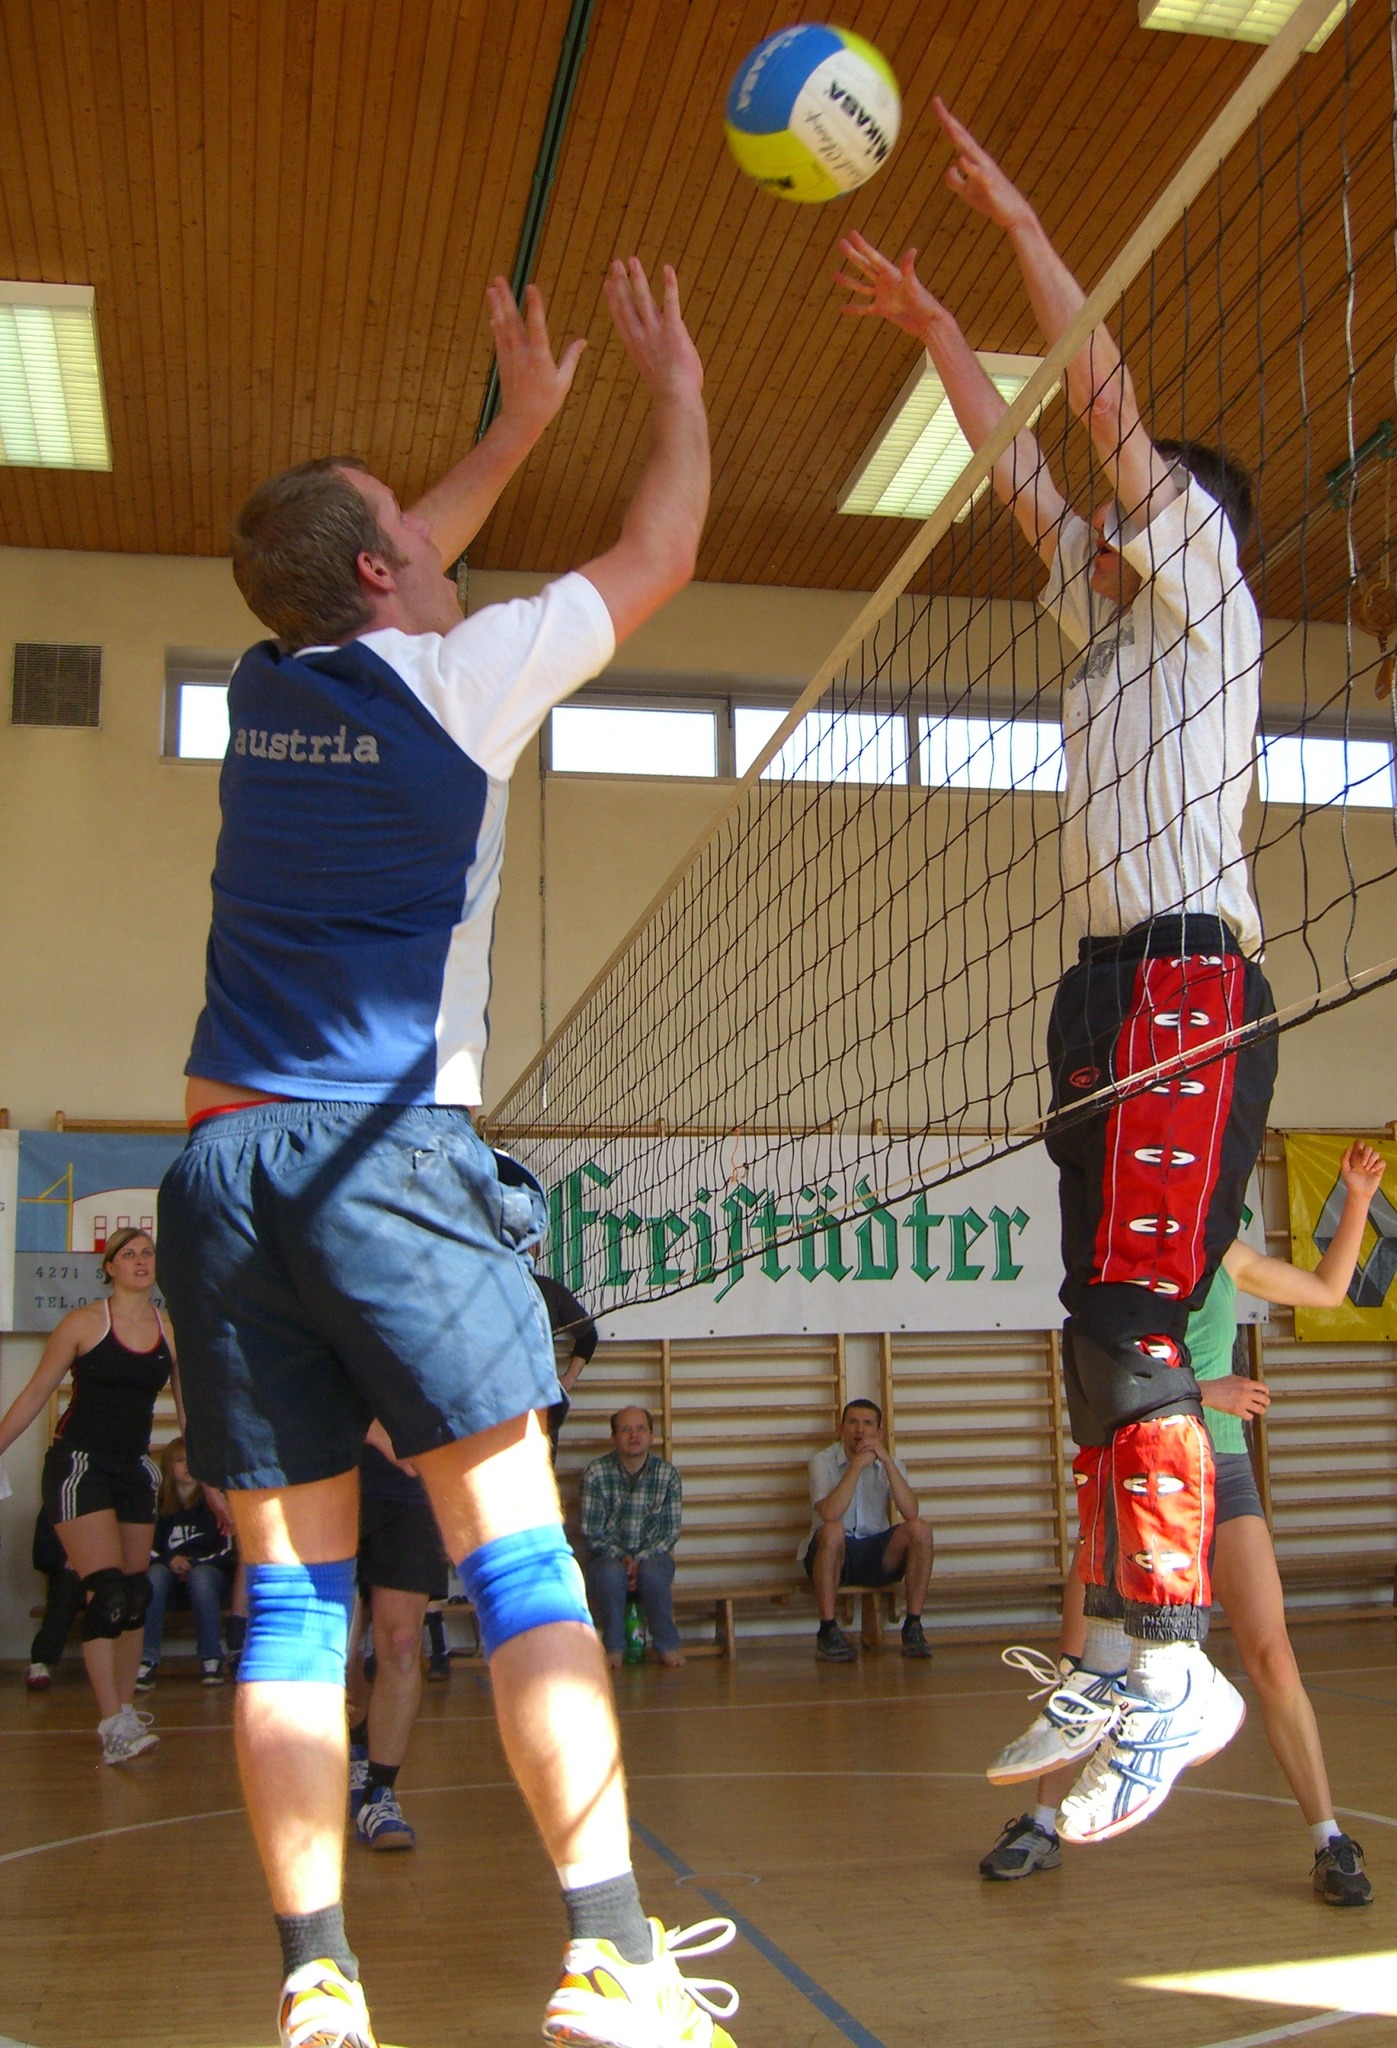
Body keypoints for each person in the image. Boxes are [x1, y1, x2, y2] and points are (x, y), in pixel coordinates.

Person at [155, 260, 740, 2048]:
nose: (440, 531)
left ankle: (320, 1982)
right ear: (389, 580)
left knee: (291, 1596)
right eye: (416, 524)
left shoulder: (273, 686)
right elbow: (662, 553)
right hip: (385, 1159)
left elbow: (383, 558)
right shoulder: (456, 685)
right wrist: (671, 391)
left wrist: (510, 433)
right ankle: (614, 1953)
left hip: (218, 1172)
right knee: (523, 1566)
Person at [838, 100, 1274, 1839]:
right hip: (1101, 995)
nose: (1100, 517)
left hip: (1189, 984)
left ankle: (1176, 1664)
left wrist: (1019, 216)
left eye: (1137, 503)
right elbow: (1017, 462)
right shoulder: (1101, 635)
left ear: (1188, 528)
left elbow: (1094, 402)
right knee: (1085, 1332)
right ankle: (1138, 1649)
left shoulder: (1210, 601)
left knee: (1132, 1318)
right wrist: (947, 333)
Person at [982, 1143, 1385, 1907]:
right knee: (1084, 1663)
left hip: (1216, 1469)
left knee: (1271, 1656)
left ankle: (1330, 1838)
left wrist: (1357, 1193)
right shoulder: (1114, 1262)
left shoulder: (1223, 1252)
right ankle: (1040, 1822)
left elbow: (1330, 1290)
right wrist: (1209, 1386)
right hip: (1135, 1475)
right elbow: (1117, 1376)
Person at [0, 1227, 181, 1763]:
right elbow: (36, 1393)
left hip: (134, 1470)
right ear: (110, 1267)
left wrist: (214, 1479)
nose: (141, 1260)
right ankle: (110, 1724)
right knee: (106, 1595)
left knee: (135, 1598)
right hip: (80, 1466)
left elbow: (190, 1408)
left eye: (148, 1252)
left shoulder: (169, 1331)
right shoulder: (83, 1323)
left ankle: (124, 1712)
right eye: (130, 1254)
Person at [345, 1422, 452, 1849]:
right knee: (340, 1648)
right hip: (328, 1475)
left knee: (403, 1642)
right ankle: (356, 1744)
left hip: (409, 1481)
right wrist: (369, 1429)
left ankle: (379, 1793)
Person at [802, 1399, 933, 1662]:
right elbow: (829, 1513)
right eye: (853, 1422)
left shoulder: (890, 1462)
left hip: (875, 1551)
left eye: (867, 1423)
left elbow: (910, 1512)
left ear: (878, 1432)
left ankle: (913, 1625)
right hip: (833, 1553)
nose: (859, 1430)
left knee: (920, 1529)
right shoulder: (823, 1461)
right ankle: (827, 1630)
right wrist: (856, 1466)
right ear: (842, 1430)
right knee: (833, 1530)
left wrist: (886, 1461)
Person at [579, 1408, 684, 1669]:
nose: (633, 1435)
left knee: (653, 1573)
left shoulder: (668, 1475)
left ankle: (667, 1645)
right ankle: (613, 1647)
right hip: (607, 1558)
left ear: (651, 1435)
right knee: (609, 1574)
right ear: (614, 1437)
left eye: (640, 1429)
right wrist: (622, 1559)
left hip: (653, 1557)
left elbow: (670, 1532)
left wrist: (639, 1561)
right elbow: (591, 1532)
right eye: (625, 1430)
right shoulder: (595, 1473)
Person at [138, 1434, 237, 1688]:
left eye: (192, 1460)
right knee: (154, 1577)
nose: (187, 1466)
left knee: (201, 1577)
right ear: (169, 1466)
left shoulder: (214, 1503)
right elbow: (144, 1545)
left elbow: (228, 1550)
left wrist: (193, 1562)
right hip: (168, 1578)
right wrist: (171, 1560)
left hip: (208, 1579)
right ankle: (146, 1660)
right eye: (180, 1460)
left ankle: (211, 1658)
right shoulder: (157, 1503)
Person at [535, 1265, 599, 1459]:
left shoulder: (548, 1289)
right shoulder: (487, 1287)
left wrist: (569, 1378)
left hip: (541, 1402)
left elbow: (588, 1335)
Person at [26, 1505, 84, 1690]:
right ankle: (41, 1662)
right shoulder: (54, 1506)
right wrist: (66, 1562)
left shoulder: (115, 1498)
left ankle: (136, 1664)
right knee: (67, 1587)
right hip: (70, 1577)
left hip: (107, 1575)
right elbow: (41, 1556)